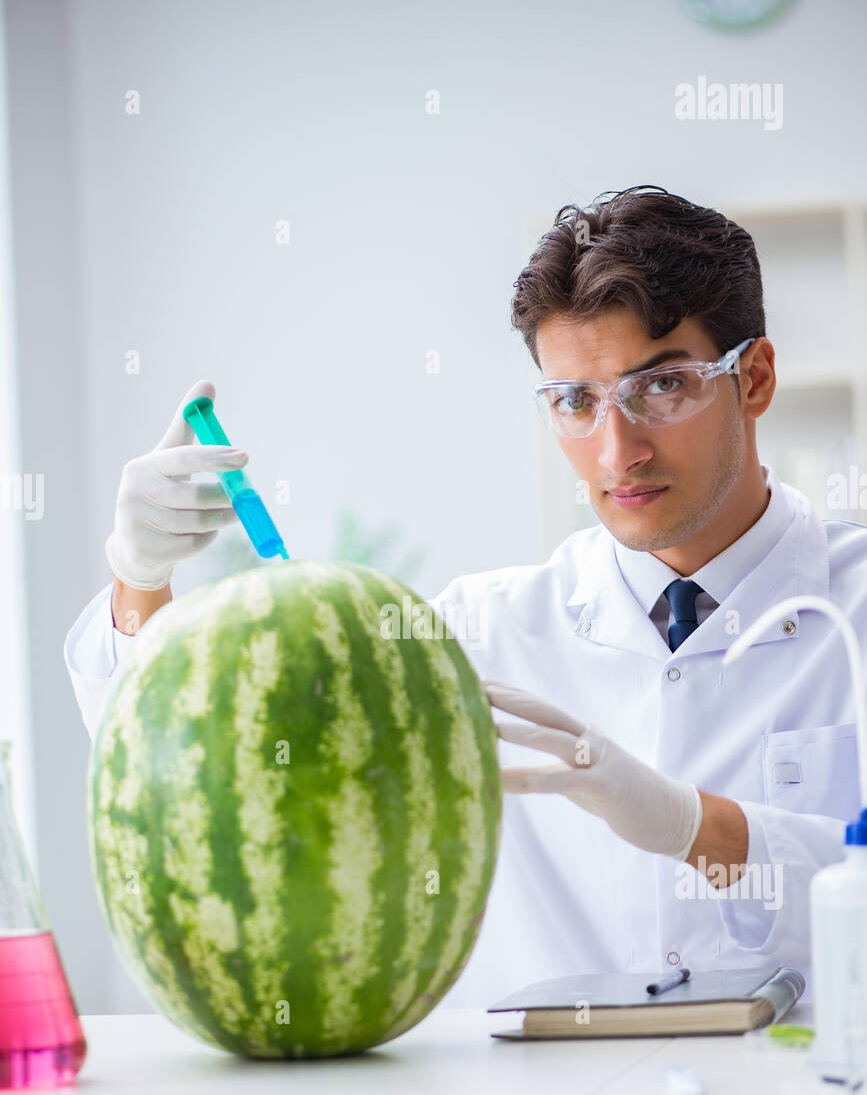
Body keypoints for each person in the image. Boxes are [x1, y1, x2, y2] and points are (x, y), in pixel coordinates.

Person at [65, 185, 867, 1006]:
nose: (615, 450)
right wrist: (140, 580)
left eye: (660, 387)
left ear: (756, 378)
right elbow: (205, 778)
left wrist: (700, 828)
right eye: (575, 401)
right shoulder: (470, 633)